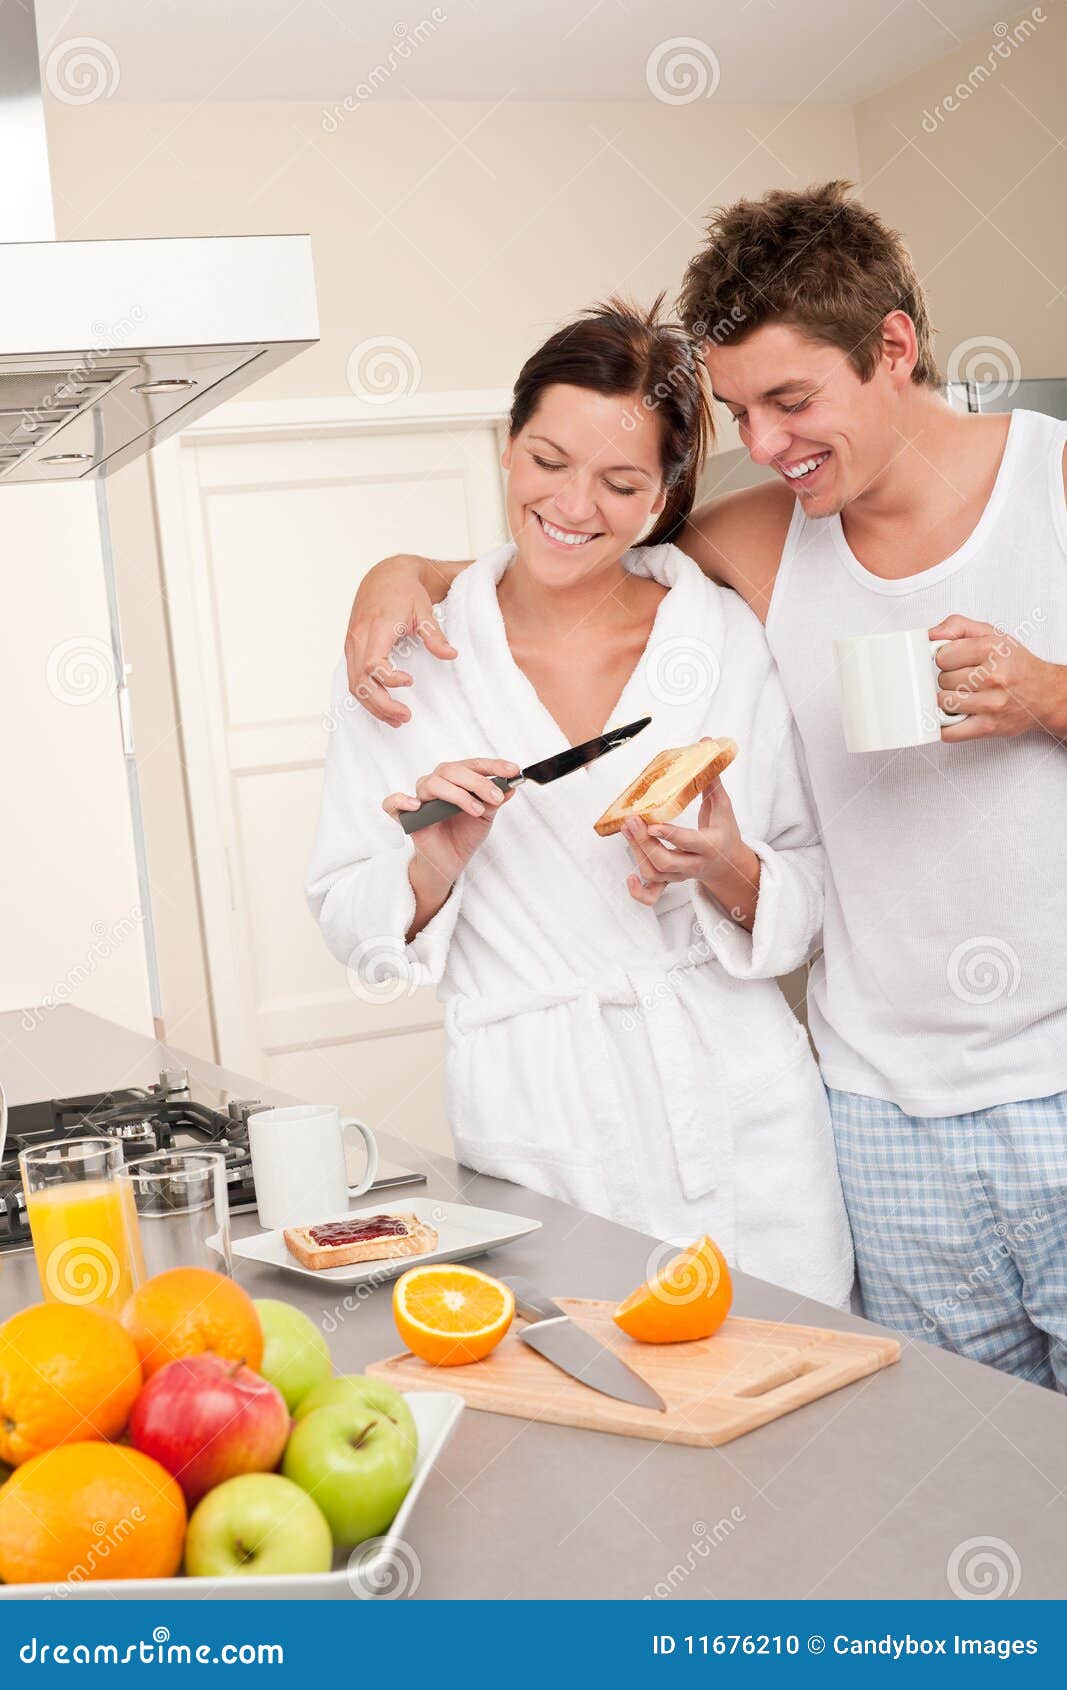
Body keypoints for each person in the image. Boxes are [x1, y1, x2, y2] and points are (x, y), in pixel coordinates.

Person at [343, 183, 1067, 1391]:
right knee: (941, 1454)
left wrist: (1046, 693)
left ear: (892, 345)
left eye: (791, 400)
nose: (767, 443)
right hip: (875, 1111)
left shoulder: (1053, 484)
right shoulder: (765, 536)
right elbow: (576, 548)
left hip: (1056, 1079)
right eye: (738, 411)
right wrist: (400, 571)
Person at [306, 298, 853, 1308]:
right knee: (575, 1381)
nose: (572, 504)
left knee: (797, 1376)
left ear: (663, 496)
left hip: (735, 1106)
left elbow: (819, 890)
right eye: (548, 460)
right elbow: (349, 919)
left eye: (619, 482)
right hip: (536, 1114)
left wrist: (728, 869)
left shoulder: (726, 640)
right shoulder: (404, 664)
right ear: (507, 449)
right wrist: (434, 861)